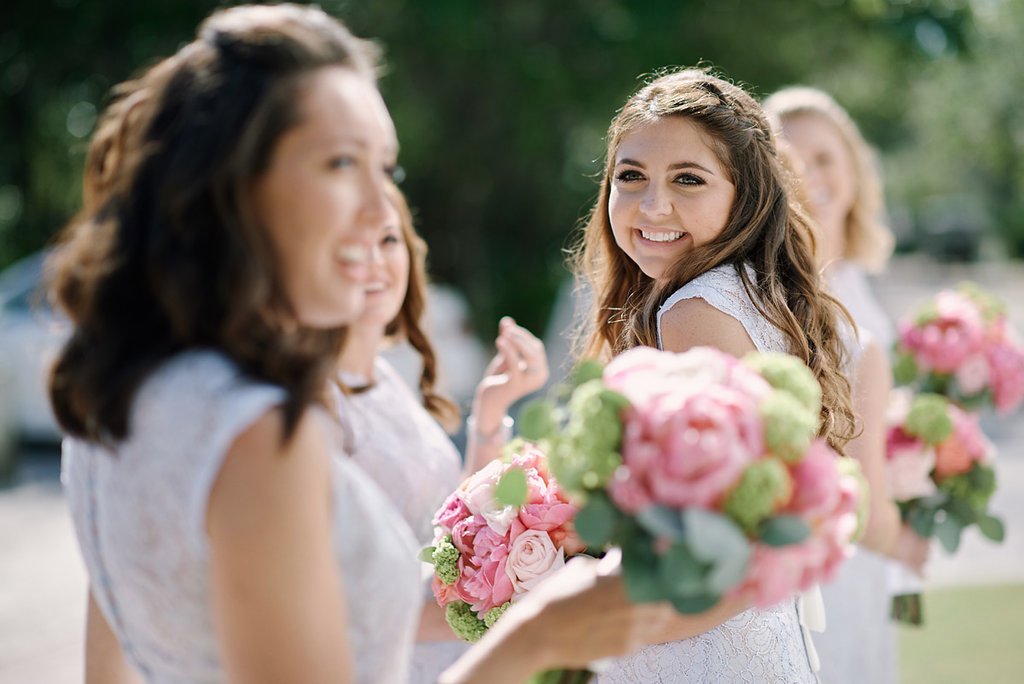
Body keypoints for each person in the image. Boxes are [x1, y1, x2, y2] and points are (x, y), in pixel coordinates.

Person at [48, 5, 675, 683]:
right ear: (231, 179)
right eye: (341, 163)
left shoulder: (121, 393)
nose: (381, 213)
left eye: (386, 170)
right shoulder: (258, 435)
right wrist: (535, 640)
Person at [571, 67, 859, 683]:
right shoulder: (751, 295)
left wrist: (557, 598)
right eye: (631, 176)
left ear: (744, 195)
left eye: (688, 179)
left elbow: (718, 561)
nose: (653, 205)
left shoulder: (693, 312)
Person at [331, 184, 549, 683]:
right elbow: (337, 603)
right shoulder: (314, 402)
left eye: (388, 240)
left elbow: (452, 527)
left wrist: (490, 413)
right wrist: (504, 606)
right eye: (352, 245)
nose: (375, 261)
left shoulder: (384, 379)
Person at [765, 85, 930, 684]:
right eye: (789, 159)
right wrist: (907, 544)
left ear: (855, 172)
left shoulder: (858, 279)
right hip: (816, 564)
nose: (808, 173)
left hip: (864, 573)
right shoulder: (773, 293)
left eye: (824, 157)